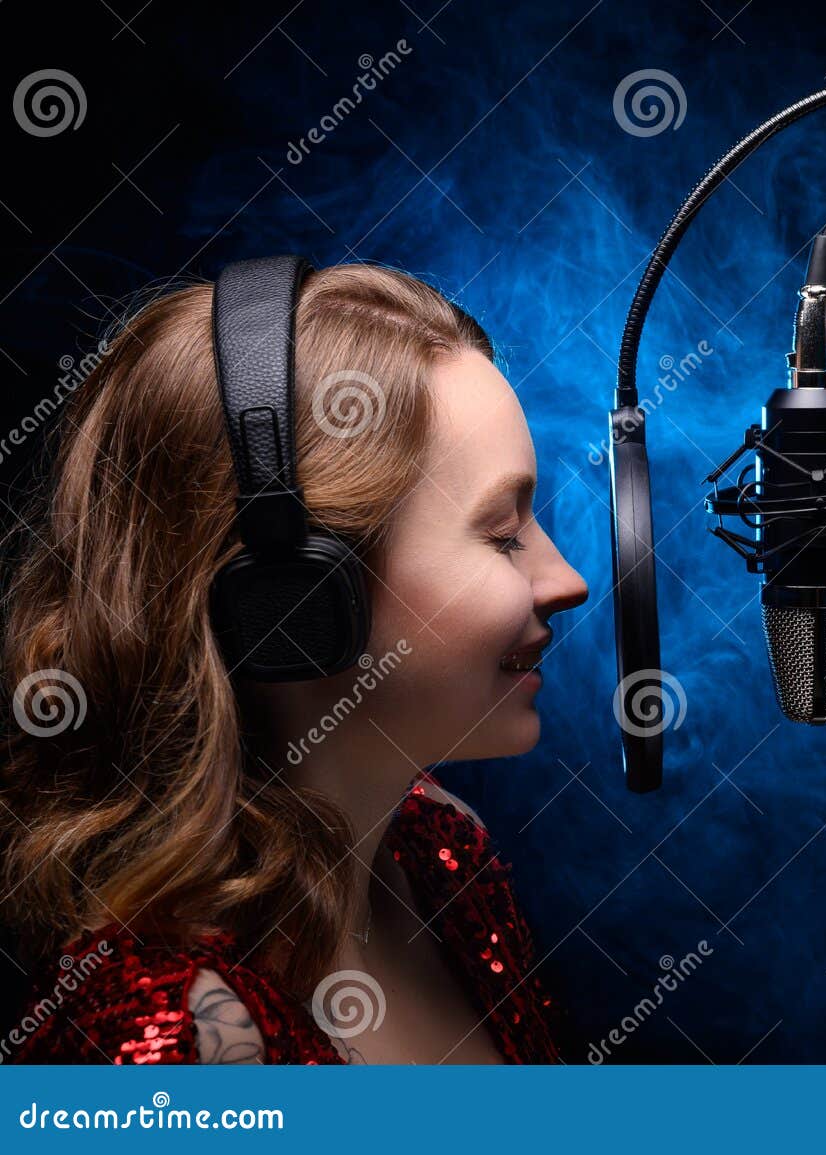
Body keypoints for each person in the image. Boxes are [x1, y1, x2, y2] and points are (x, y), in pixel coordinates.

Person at [0, 262, 589, 1063]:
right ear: (295, 602)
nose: (566, 580)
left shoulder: (443, 854)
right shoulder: (172, 1043)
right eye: (501, 533)